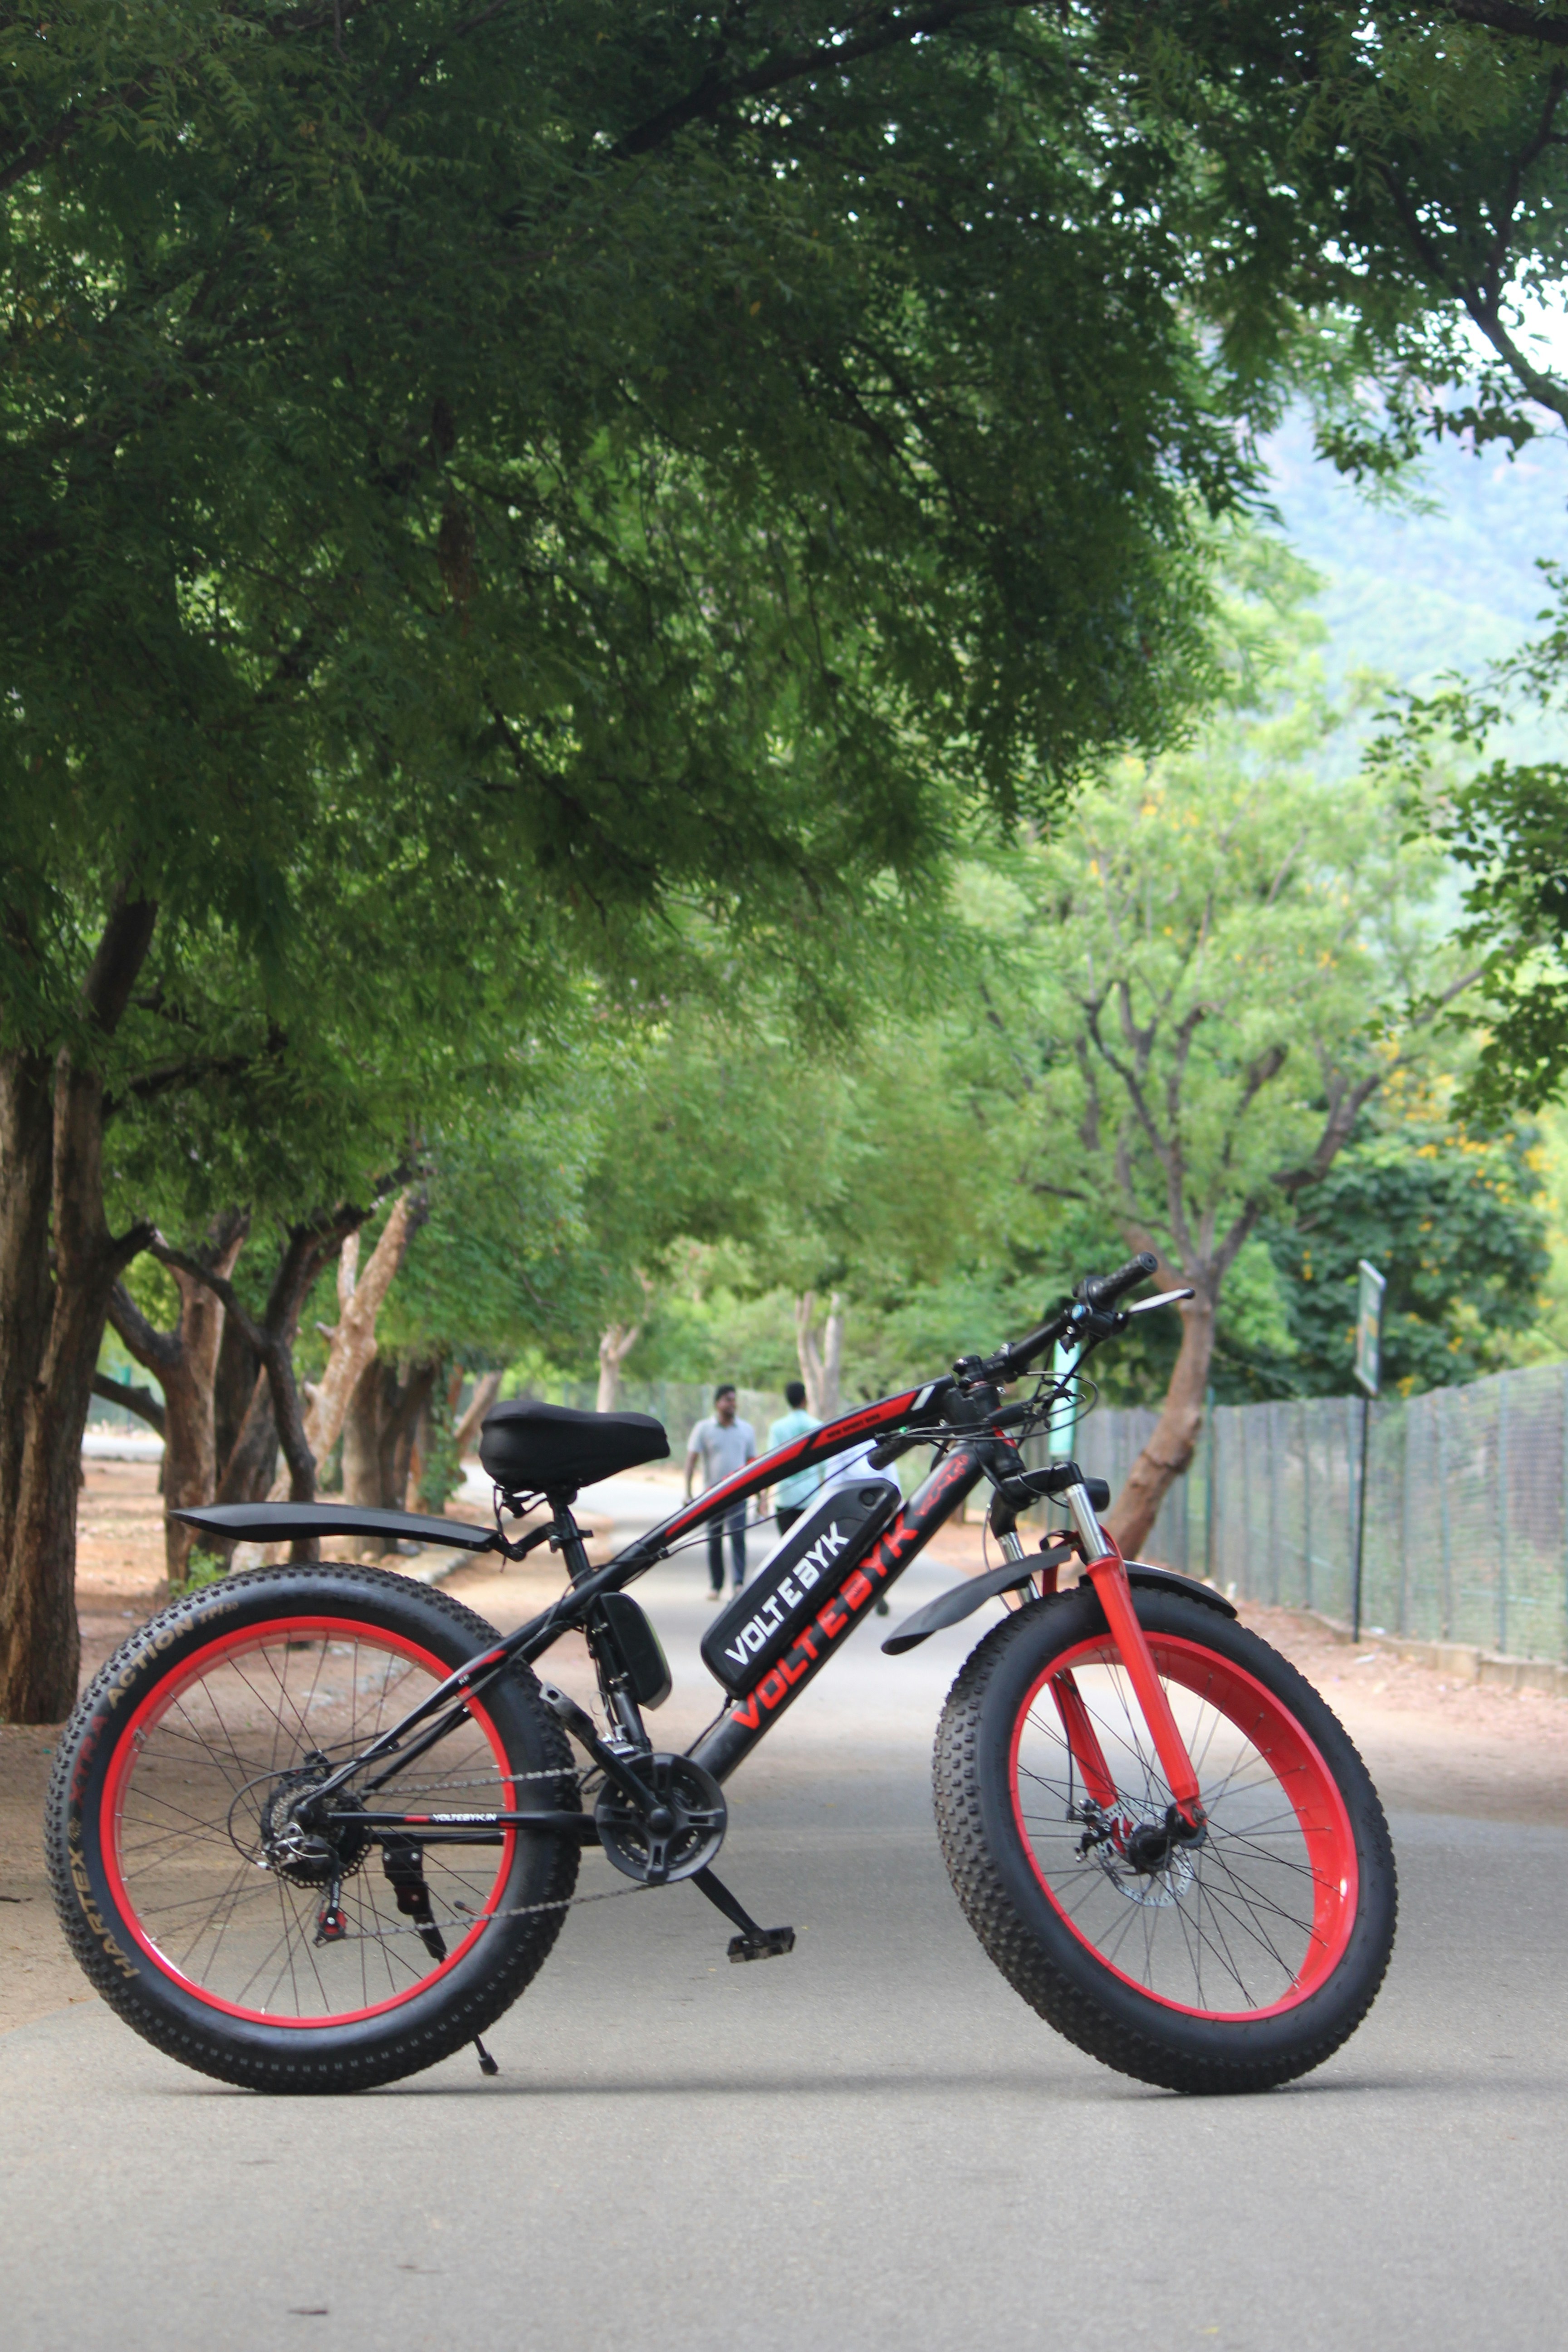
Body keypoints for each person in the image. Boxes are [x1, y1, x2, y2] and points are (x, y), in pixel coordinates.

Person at [685, 1384, 757, 1599]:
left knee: (737, 1538)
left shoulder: (746, 1430)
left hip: (738, 1494)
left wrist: (761, 1496)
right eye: (727, 1400)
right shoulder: (704, 1428)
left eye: (734, 1400)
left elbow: (753, 1463)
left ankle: (738, 1584)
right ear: (717, 1404)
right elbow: (692, 1459)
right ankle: (716, 1586)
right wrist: (688, 1492)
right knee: (714, 1540)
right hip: (713, 1494)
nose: (732, 1404)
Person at [762, 1380, 822, 1535]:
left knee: (787, 1546)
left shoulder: (777, 1428)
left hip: (785, 1497)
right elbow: (825, 1466)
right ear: (805, 1399)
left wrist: (765, 1496)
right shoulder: (817, 1426)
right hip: (811, 1496)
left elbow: (771, 1463)